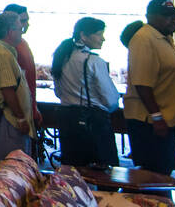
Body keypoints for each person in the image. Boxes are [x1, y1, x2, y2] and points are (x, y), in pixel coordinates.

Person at [123, 0, 175, 175]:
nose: (172, 20)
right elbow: (142, 84)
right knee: (153, 174)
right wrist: (157, 118)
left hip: (166, 117)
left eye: (174, 16)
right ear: (150, 16)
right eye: (166, 16)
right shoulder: (143, 39)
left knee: (164, 170)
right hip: (149, 121)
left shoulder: (164, 39)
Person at [50, 17, 121, 167]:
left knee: (73, 168)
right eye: (99, 34)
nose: (103, 38)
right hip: (93, 122)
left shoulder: (61, 57)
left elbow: (58, 92)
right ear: (83, 35)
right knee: (102, 170)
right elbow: (110, 99)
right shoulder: (94, 61)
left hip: (67, 119)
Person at [0, 11, 35, 163]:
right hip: (9, 121)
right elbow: (8, 90)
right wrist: (21, 118)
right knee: (13, 165)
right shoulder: (2, 54)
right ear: (10, 32)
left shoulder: (7, 51)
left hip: (11, 120)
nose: (22, 32)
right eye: (20, 28)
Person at [2, 4, 43, 132]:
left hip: (25, 110)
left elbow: (27, 81)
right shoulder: (7, 48)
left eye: (27, 20)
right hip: (13, 116)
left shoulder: (22, 43)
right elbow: (8, 87)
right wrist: (21, 117)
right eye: (23, 21)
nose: (27, 24)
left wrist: (33, 109)